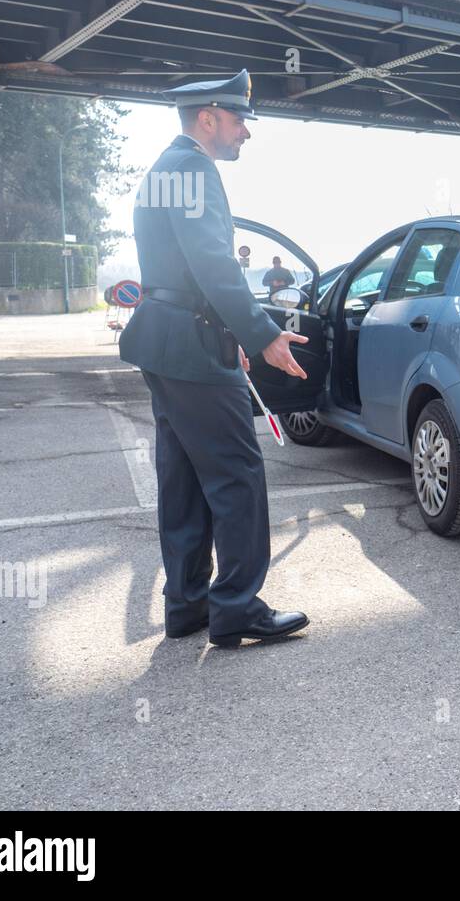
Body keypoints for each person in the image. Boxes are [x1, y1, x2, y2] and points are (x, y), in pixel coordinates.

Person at [120, 69, 312, 645]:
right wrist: (261, 334)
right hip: (194, 343)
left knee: (181, 478)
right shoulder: (193, 167)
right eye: (238, 119)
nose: (246, 131)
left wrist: (232, 336)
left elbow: (184, 268)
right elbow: (211, 262)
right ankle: (235, 607)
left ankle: (187, 603)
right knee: (236, 477)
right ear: (208, 118)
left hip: (170, 338)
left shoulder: (164, 169)